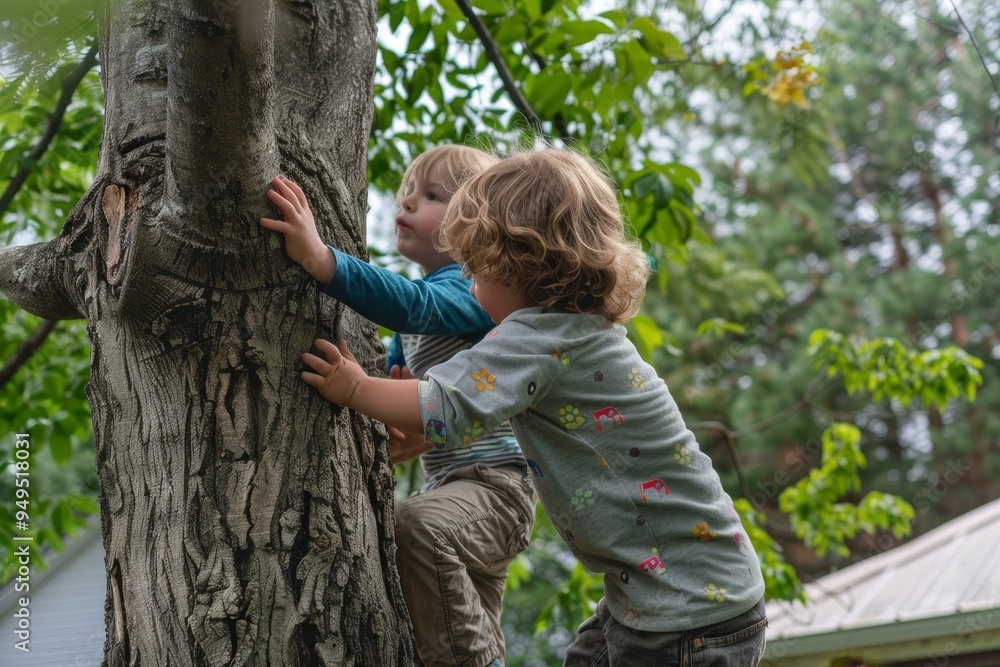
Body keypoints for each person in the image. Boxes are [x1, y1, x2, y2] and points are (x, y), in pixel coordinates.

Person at [297, 148, 768, 666]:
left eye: (478, 269)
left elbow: (446, 405)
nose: (471, 287)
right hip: (660, 597)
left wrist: (354, 389)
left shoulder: (542, 335)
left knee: (420, 528)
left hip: (688, 611)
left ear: (521, 263)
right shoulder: (578, 327)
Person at [260, 145, 535, 667]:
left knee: (417, 531)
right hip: (456, 487)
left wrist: (322, 258)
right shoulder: (411, 332)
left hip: (496, 486)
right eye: (405, 195)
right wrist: (397, 435)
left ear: (479, 221)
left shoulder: (472, 290)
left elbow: (415, 304)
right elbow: (404, 394)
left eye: (431, 196)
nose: (405, 206)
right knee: (464, 624)